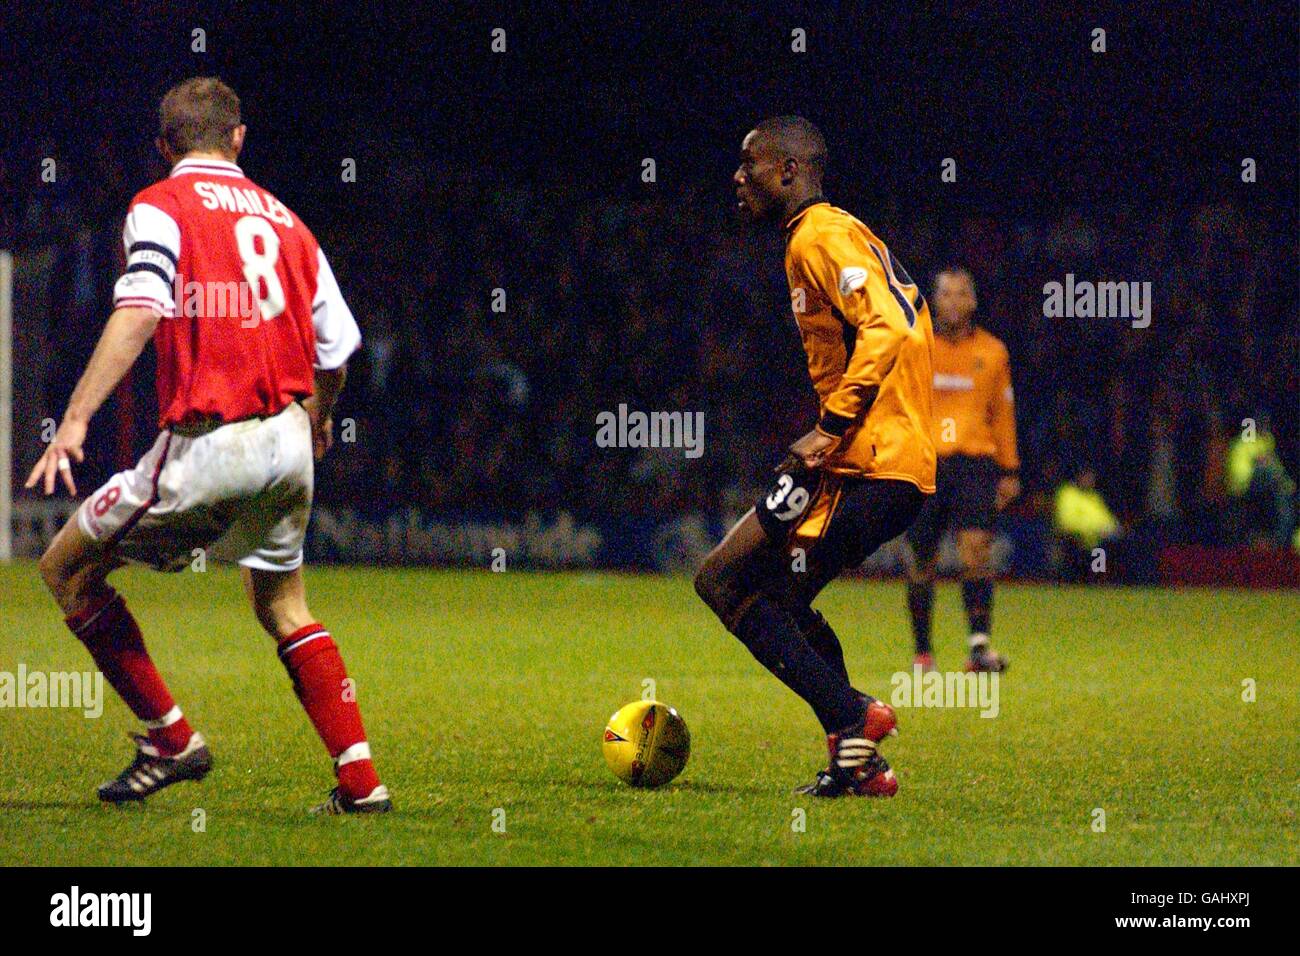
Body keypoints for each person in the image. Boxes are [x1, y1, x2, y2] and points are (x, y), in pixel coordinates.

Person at [25, 77, 390, 814]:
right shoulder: (291, 223)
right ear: (239, 139)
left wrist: (74, 419)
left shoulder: (159, 206)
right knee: (285, 603)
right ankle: (361, 783)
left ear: (163, 146)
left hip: (208, 445)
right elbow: (337, 352)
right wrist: (319, 418)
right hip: (290, 442)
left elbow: (139, 308)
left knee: (67, 571)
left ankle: (171, 739)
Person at [695, 116, 936, 798]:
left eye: (751, 165)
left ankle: (852, 716)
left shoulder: (820, 234)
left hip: (872, 464)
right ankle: (857, 759)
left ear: (790, 171)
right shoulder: (825, 234)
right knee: (765, 592)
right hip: (866, 463)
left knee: (728, 582)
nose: (738, 178)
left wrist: (828, 428)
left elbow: (889, 325)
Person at [903, 268, 1019, 673]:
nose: (954, 301)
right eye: (946, 294)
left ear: (973, 301)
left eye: (961, 294)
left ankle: (979, 650)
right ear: (935, 301)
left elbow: (1003, 413)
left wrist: (1009, 469)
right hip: (925, 462)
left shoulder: (993, 351)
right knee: (922, 559)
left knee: (975, 551)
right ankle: (923, 653)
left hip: (975, 463)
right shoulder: (916, 345)